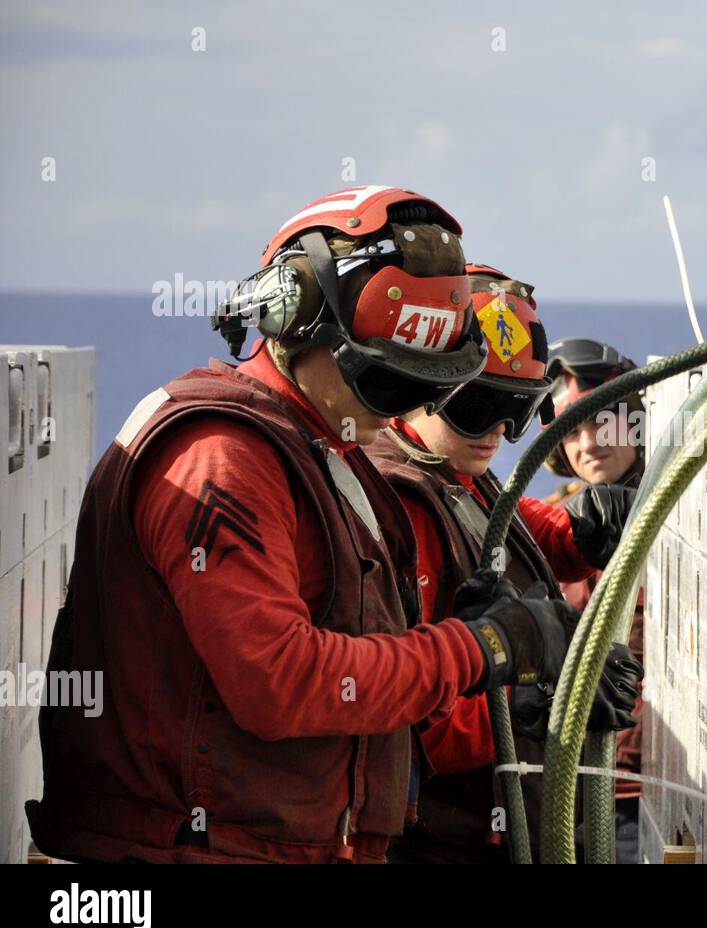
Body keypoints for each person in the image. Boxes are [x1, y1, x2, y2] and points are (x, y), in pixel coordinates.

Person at [26, 187, 586, 864]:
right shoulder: (221, 459)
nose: (402, 411)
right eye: (386, 383)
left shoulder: (327, 453)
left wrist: (448, 631)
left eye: (425, 389)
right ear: (294, 316)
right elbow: (277, 679)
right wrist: (479, 648)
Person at [366, 264, 641, 863]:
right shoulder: (398, 504)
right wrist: (542, 706)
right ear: (417, 382)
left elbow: (527, 537)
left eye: (517, 409)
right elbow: (413, 722)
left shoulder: (459, 471)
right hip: (452, 839)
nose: (497, 431)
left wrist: (591, 523)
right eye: (478, 406)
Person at [543, 338, 646, 864]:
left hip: (652, 790)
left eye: (604, 424)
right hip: (574, 784)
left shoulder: (690, 520)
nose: (589, 443)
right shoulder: (549, 527)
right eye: (574, 431)